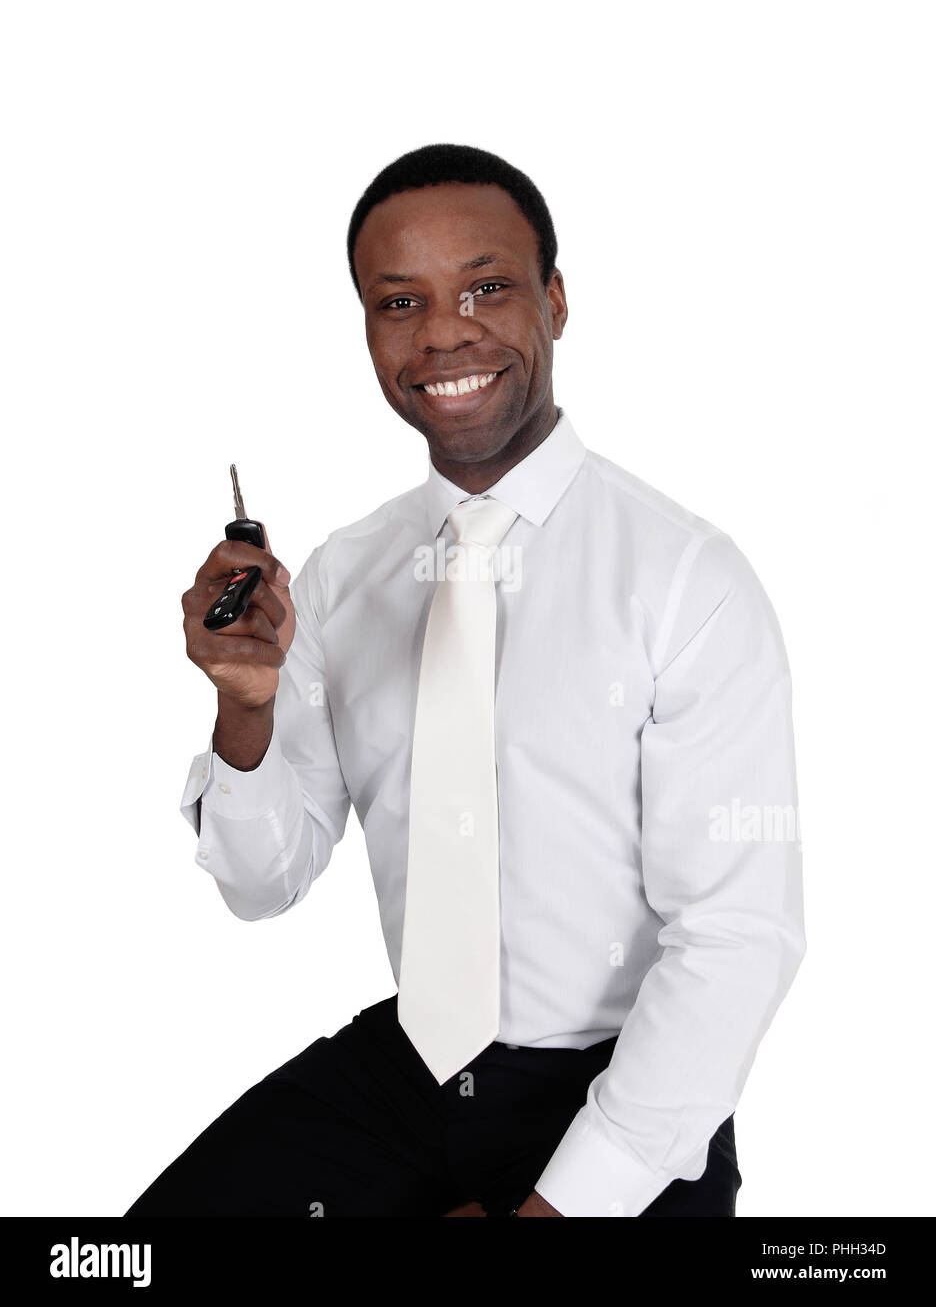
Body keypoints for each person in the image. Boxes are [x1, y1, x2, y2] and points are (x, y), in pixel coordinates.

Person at [125, 144, 805, 1218]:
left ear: (558, 301)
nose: (444, 331)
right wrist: (244, 709)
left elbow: (733, 942)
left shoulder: (683, 579)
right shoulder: (346, 576)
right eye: (401, 300)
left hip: (621, 1086)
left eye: (487, 286)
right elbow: (264, 881)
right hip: (411, 1069)